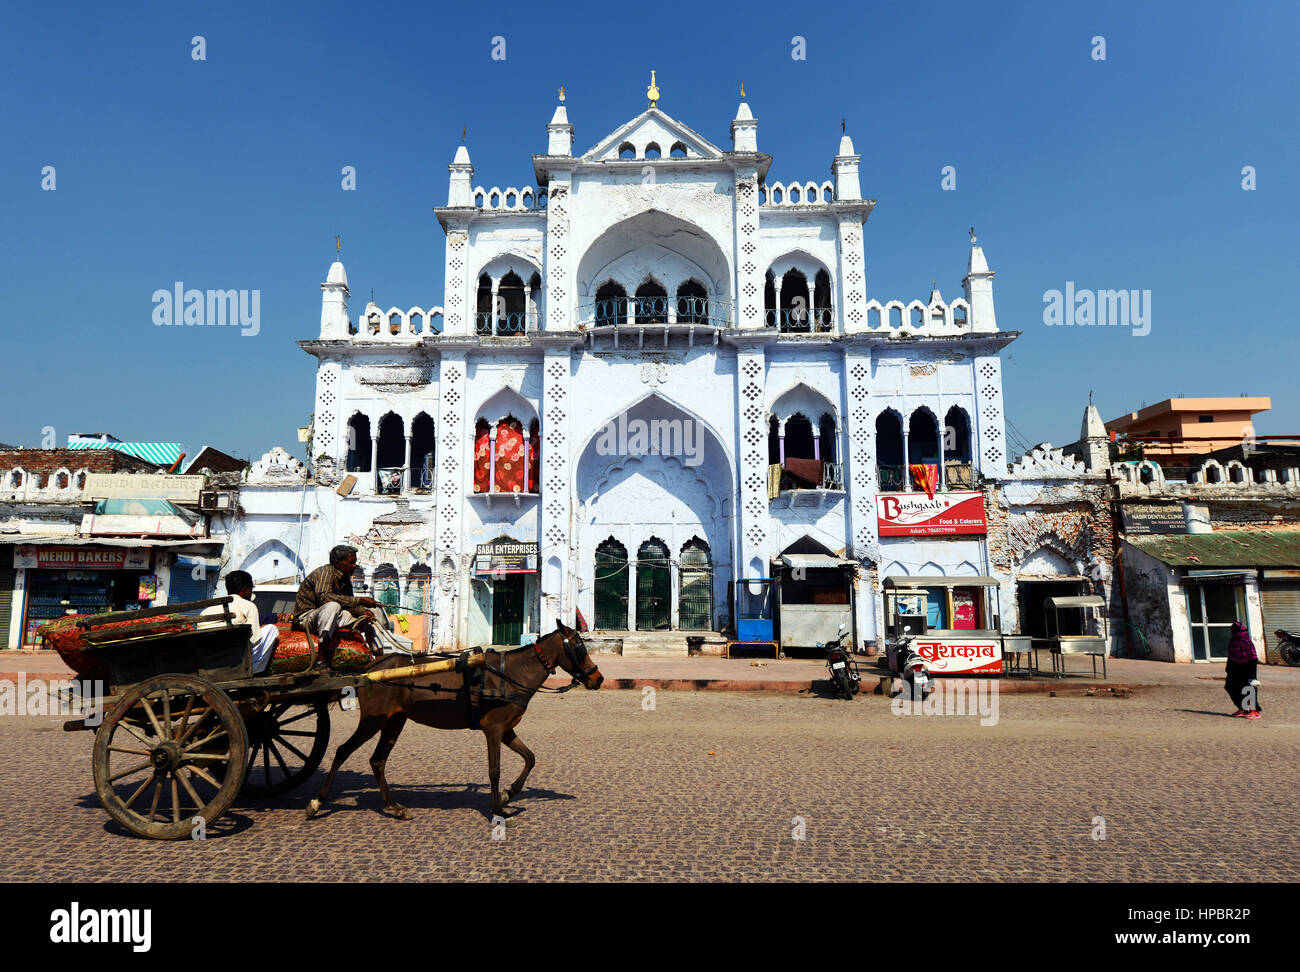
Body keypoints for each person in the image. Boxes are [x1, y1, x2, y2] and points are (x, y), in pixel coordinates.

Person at [294, 545, 382, 668]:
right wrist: (360, 599)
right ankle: (322, 656)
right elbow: (325, 598)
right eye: (351, 562)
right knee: (332, 606)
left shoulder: (345, 578)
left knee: (372, 615)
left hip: (333, 616)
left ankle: (379, 657)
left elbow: (348, 604)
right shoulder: (324, 572)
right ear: (337, 562)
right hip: (307, 618)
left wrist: (364, 611)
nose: (355, 565)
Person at [201, 571, 279, 675]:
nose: (251, 592)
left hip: (210, 659)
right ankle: (254, 669)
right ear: (245, 589)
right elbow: (254, 639)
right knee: (271, 629)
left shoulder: (206, 611)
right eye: (251, 588)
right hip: (236, 659)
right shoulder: (248, 606)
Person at [1224, 621, 1262, 719]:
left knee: (1248, 689)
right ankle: (1243, 708)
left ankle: (1254, 711)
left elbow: (1253, 658)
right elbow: (1231, 656)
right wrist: (1228, 669)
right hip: (1234, 669)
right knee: (1230, 687)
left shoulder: (1246, 642)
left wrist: (1252, 675)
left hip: (1247, 669)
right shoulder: (1233, 641)